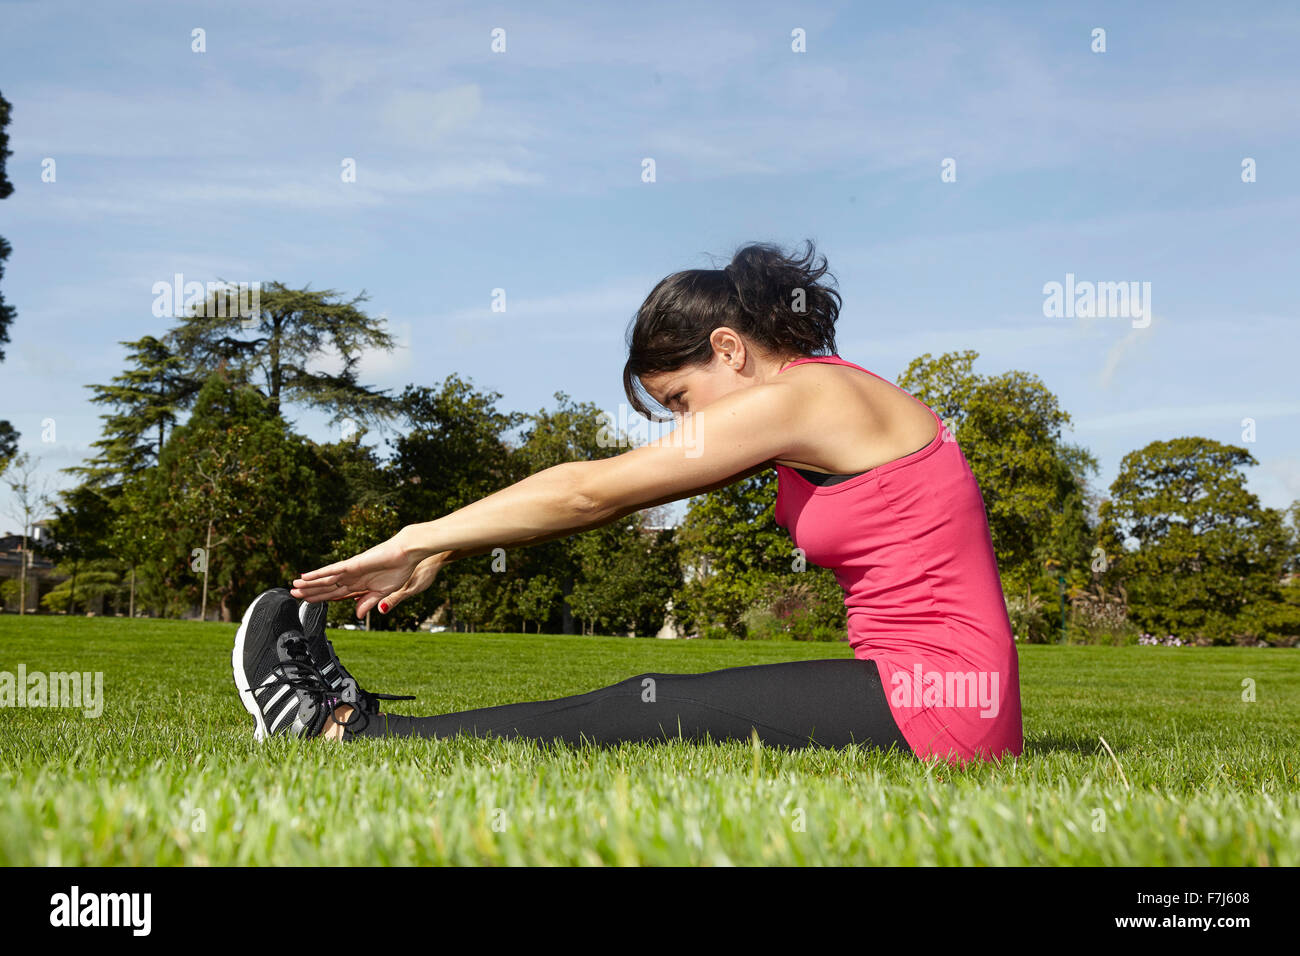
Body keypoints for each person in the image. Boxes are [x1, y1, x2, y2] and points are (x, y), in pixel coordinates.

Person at [232, 240, 1023, 764]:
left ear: (728, 348)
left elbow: (588, 489)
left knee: (643, 705)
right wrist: (449, 544)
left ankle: (347, 733)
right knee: (652, 702)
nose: (686, 424)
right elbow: (608, 498)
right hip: (927, 688)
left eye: (680, 399)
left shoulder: (808, 397)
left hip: (940, 699)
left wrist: (414, 535)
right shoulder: (819, 403)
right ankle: (349, 722)